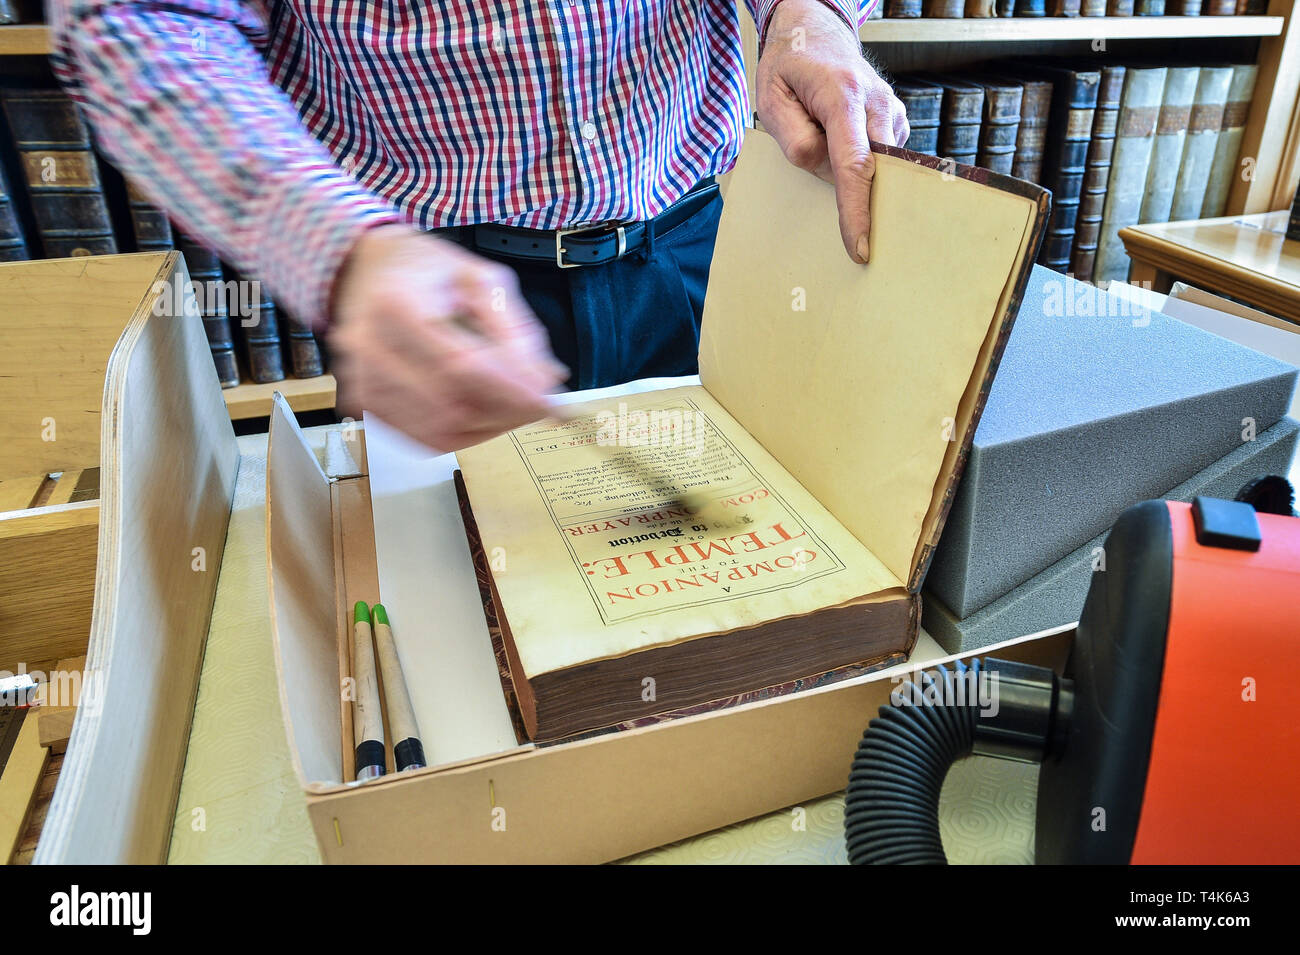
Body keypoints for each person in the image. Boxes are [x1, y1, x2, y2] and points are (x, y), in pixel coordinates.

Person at [50, 0, 907, 450]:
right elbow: (139, 20)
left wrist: (810, 10)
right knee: (464, 647)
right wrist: (337, 252)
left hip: (701, 248)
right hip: (431, 291)